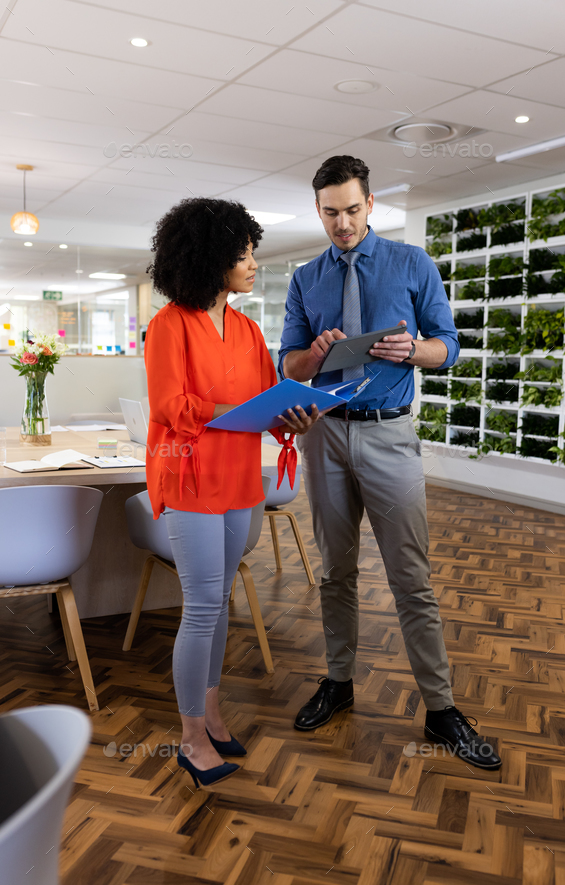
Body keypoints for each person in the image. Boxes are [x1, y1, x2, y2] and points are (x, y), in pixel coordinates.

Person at [278, 156, 501, 771]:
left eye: (352, 209)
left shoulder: (412, 264)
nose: (342, 223)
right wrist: (314, 354)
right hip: (325, 435)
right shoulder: (305, 278)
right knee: (334, 573)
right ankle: (339, 681)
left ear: (371, 204)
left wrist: (417, 351)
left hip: (389, 436)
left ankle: (440, 707)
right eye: (330, 212)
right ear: (318, 210)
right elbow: (287, 365)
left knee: (411, 577)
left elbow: (449, 345)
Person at [145, 197, 320, 789]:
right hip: (191, 480)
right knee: (200, 607)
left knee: (219, 602)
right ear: (211, 257)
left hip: (242, 480)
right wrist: (244, 412)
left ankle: (212, 711)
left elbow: (266, 403)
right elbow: (172, 407)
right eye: (244, 253)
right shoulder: (169, 325)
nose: (252, 263)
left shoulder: (247, 329)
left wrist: (289, 417)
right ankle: (190, 738)